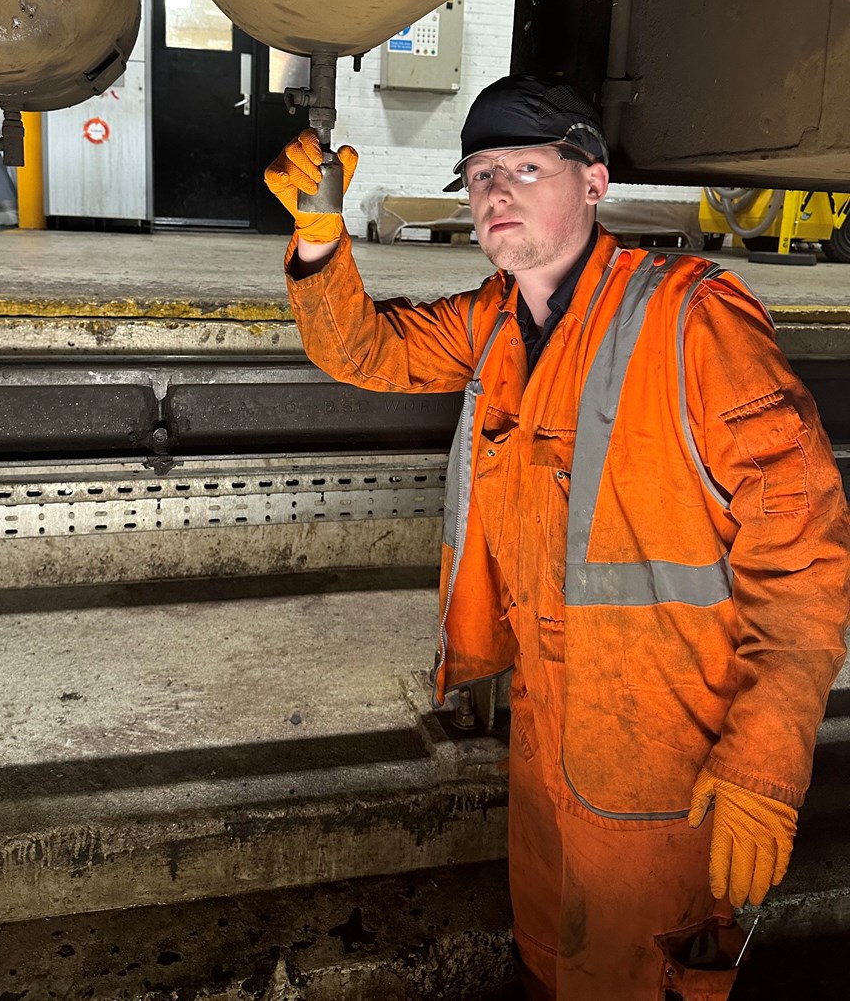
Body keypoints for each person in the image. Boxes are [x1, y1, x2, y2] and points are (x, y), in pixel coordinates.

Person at [264, 74, 850, 1001]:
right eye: (481, 173)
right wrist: (319, 235)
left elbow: (805, 553)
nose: (496, 190)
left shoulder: (693, 318)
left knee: (644, 969)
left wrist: (765, 758)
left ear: (593, 182)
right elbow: (363, 350)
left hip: (670, 749)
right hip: (545, 737)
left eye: (527, 167)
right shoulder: (494, 321)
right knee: (551, 953)